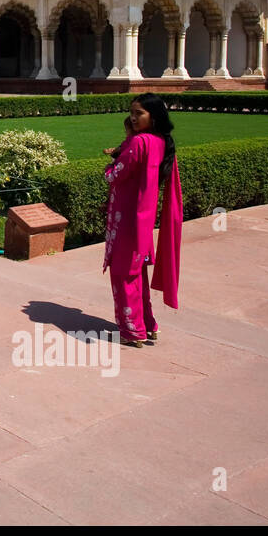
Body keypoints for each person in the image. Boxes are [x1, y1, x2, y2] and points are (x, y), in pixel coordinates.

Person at [103, 93, 183, 347]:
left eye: (139, 113)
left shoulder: (139, 143)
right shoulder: (160, 141)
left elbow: (114, 175)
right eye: (132, 113)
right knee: (136, 275)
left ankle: (132, 330)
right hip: (143, 219)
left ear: (153, 116)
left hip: (127, 218)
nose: (133, 118)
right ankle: (148, 325)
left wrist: (109, 164)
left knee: (123, 274)